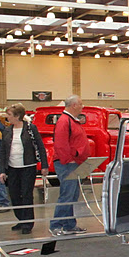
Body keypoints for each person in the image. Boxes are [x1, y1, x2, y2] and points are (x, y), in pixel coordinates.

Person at [0, 104, 48, 234]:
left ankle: (28, 223)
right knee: (14, 195)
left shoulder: (31, 129)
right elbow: (3, 151)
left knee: (26, 194)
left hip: (28, 167)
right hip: (12, 168)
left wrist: (44, 165)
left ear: (17, 116)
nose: (7, 117)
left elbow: (40, 147)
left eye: (9, 115)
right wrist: (2, 170)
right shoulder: (7, 131)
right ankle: (21, 218)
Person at [50, 95, 90, 235]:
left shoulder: (71, 121)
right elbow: (60, 144)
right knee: (67, 194)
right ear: (73, 105)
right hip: (67, 164)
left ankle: (69, 224)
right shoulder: (64, 121)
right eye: (80, 104)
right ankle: (56, 224)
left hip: (74, 163)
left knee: (72, 194)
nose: (82, 106)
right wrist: (68, 160)